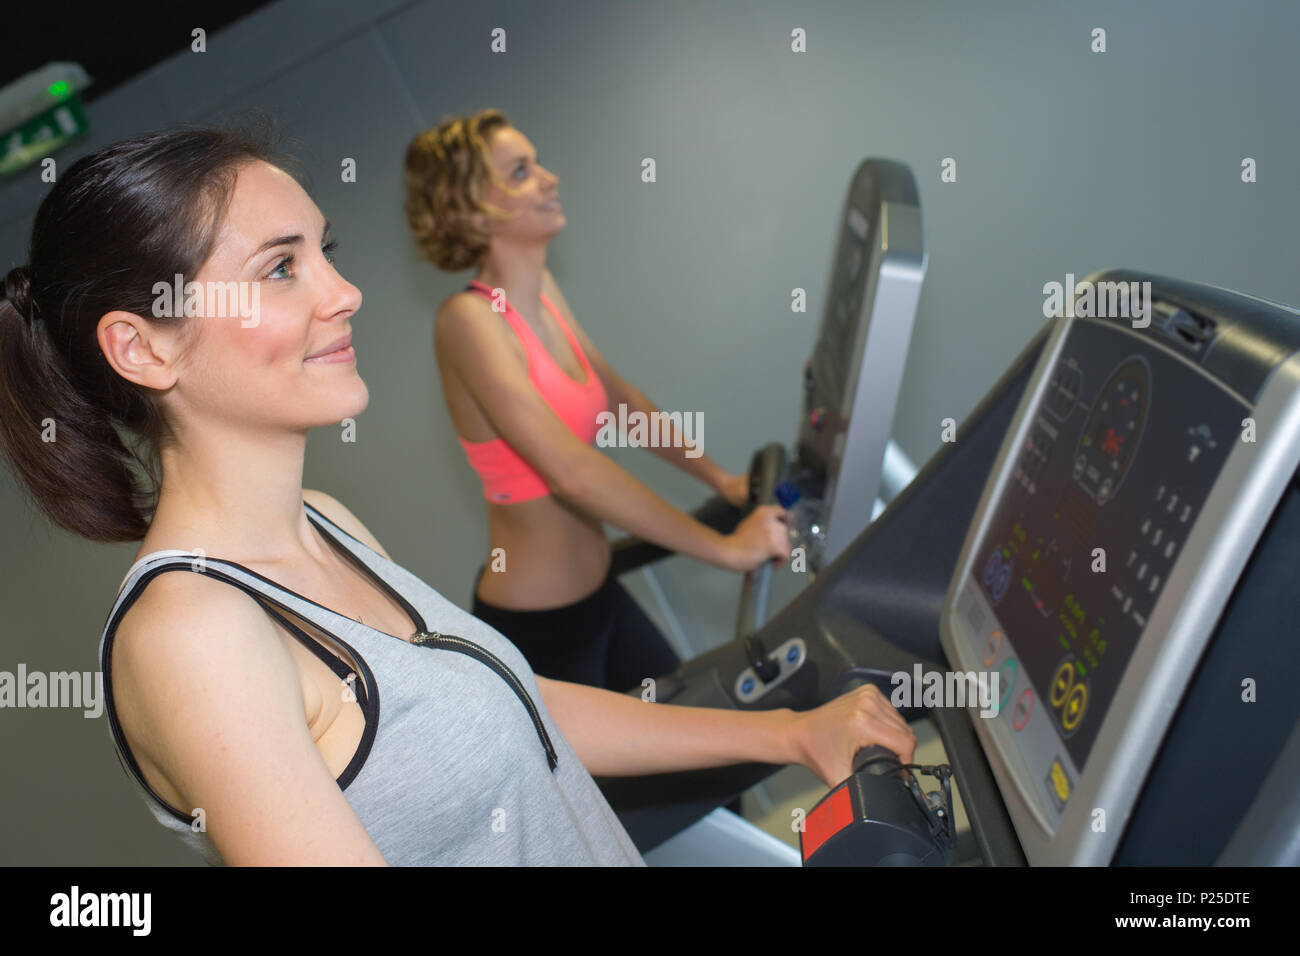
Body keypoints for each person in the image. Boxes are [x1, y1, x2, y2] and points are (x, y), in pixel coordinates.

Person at [0, 124, 915, 866]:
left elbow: (519, 703)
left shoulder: (328, 526)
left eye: (328, 252)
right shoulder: (189, 636)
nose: (347, 292)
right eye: (282, 269)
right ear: (143, 348)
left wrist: (791, 735)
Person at [404, 109, 789, 692]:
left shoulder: (544, 294)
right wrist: (726, 550)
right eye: (521, 172)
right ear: (471, 207)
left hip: (604, 594)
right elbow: (572, 472)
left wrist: (723, 481)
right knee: (639, 781)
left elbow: (619, 401)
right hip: (541, 630)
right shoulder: (467, 322)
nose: (550, 178)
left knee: (706, 767)